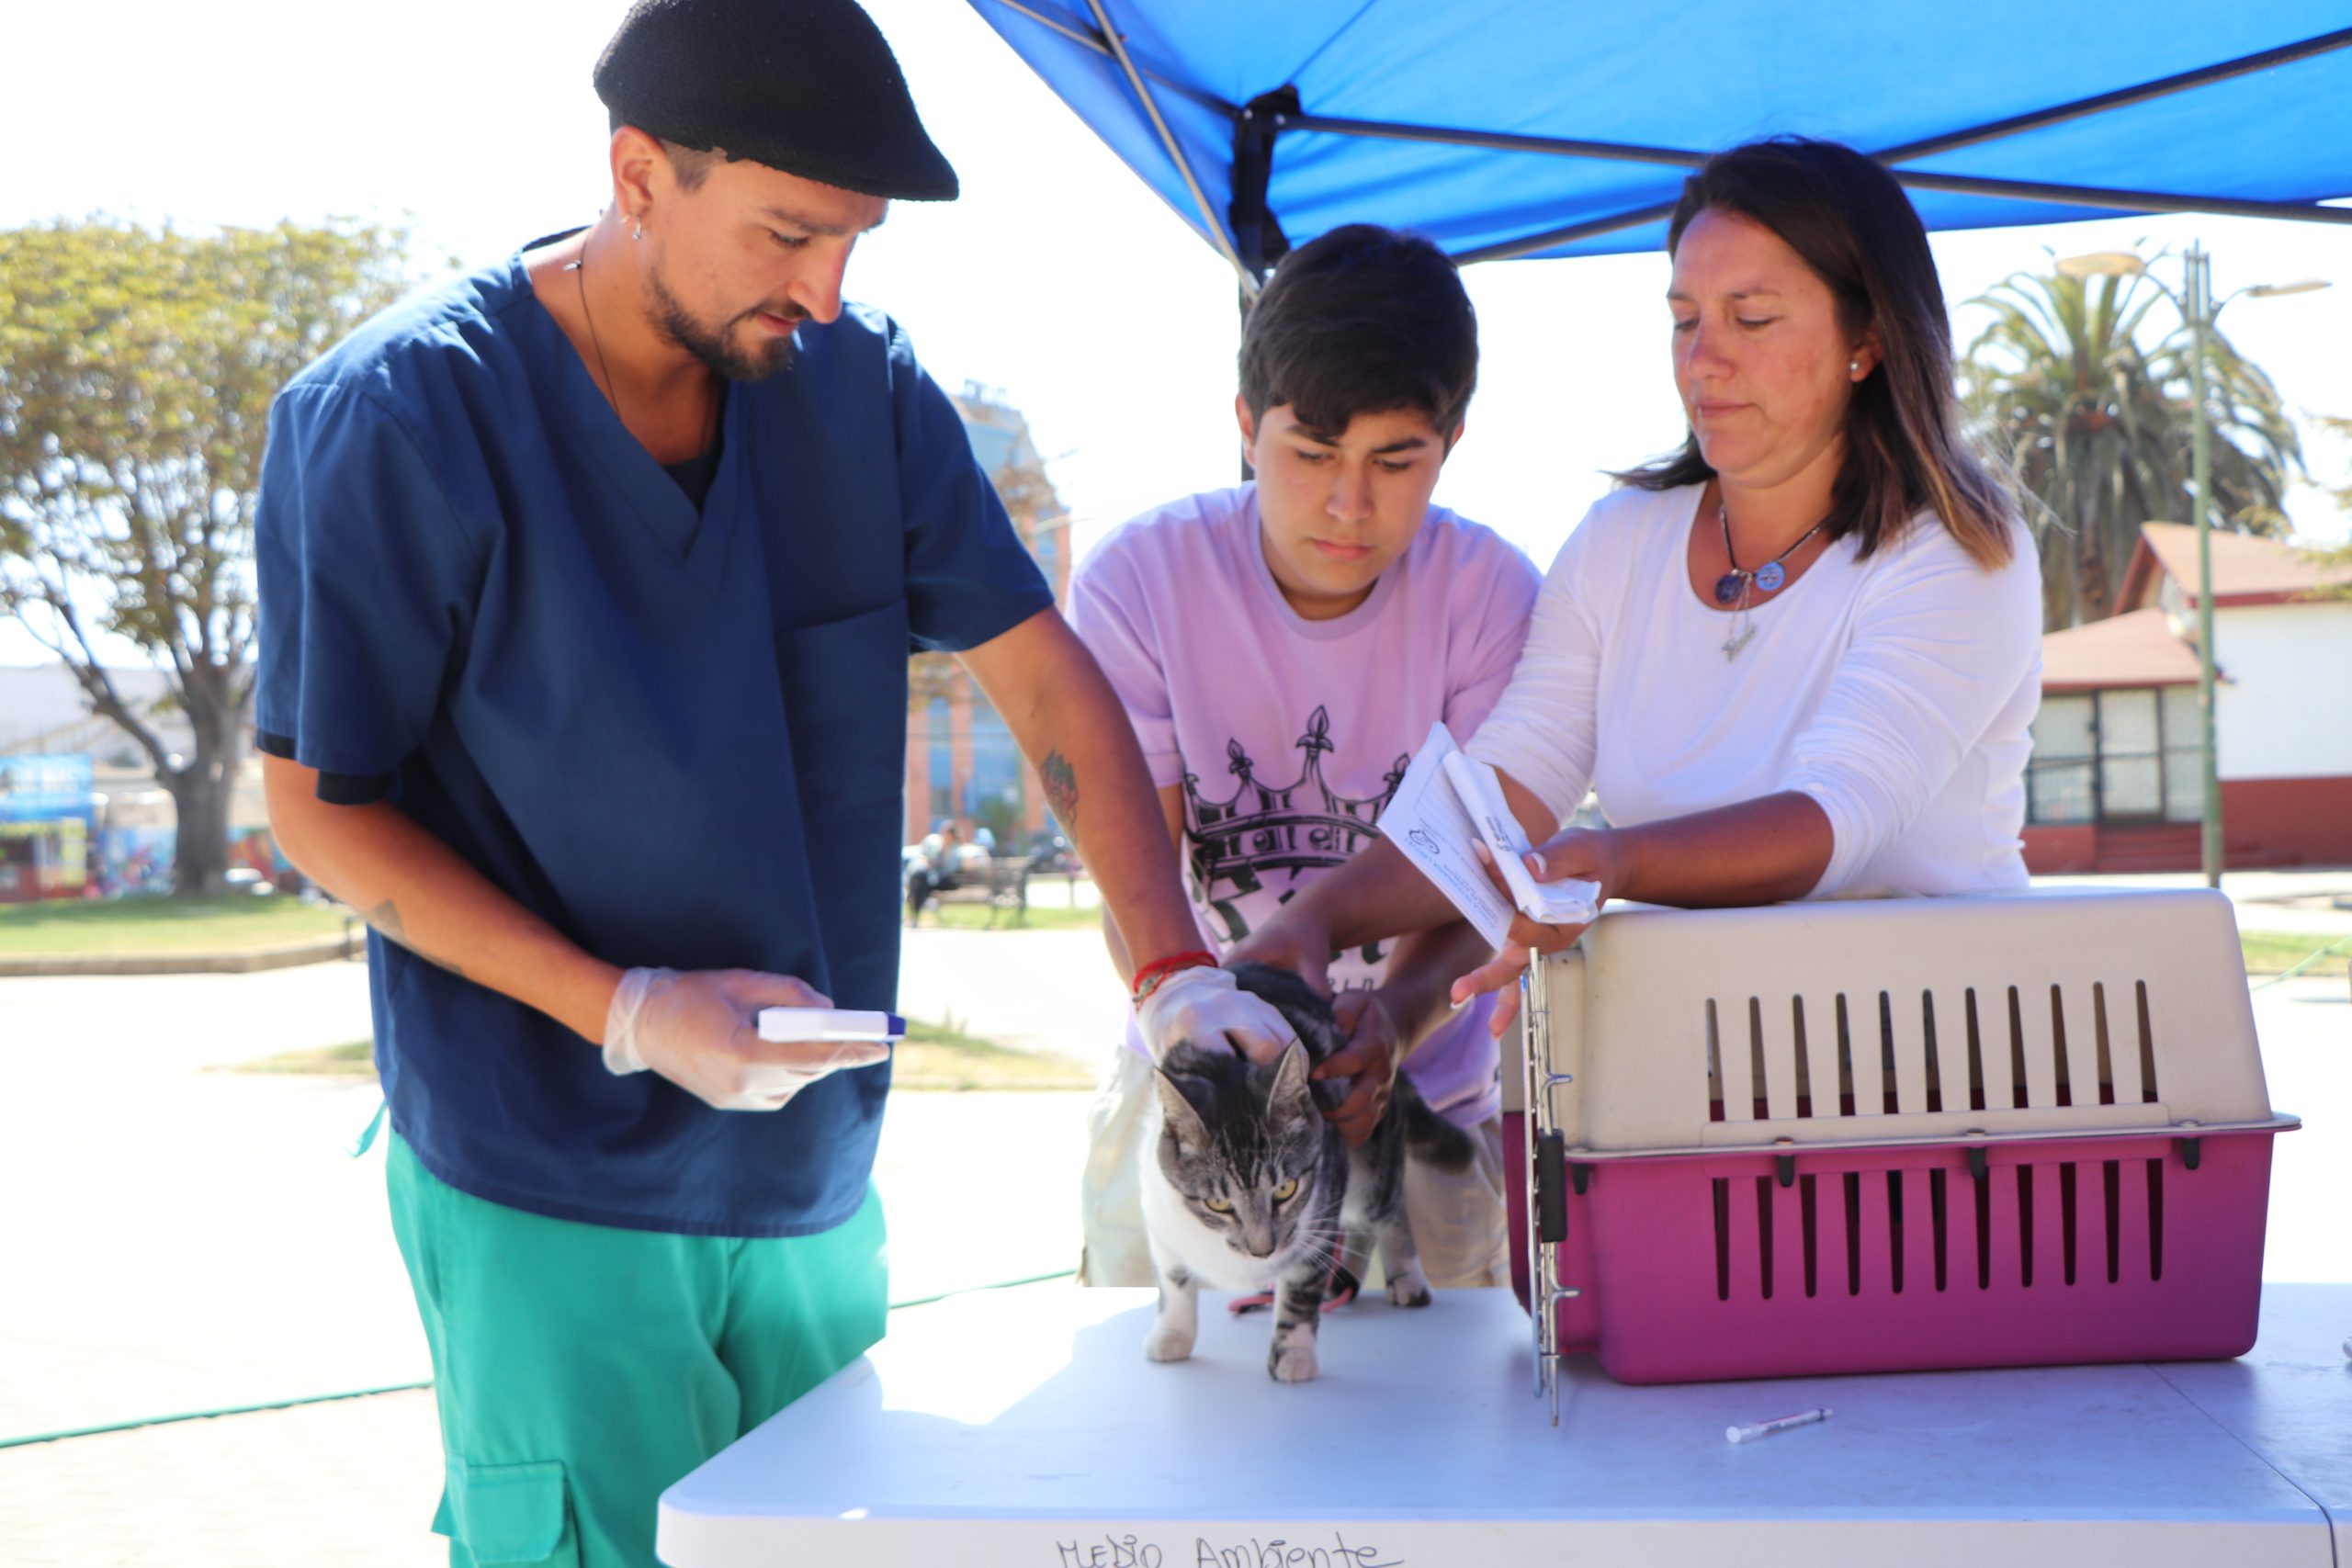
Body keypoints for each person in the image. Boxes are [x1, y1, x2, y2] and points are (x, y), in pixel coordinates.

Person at [252, 4, 1293, 1564]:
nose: (826, 284)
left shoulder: (855, 389)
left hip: (807, 1165)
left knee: (827, 1548)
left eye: (855, 243)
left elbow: (1044, 684)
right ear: (640, 171)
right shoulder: (403, 416)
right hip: (545, 1173)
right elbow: (317, 806)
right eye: (791, 232)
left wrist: (1172, 978)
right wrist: (622, 1006)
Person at [1236, 137, 2042, 1027]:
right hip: (1691, 1073)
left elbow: (1833, 821)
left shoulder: (1957, 549)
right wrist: (1310, 926)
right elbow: (1508, 789)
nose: (1702, 359)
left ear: (1867, 340)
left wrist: (1610, 863)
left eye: (1752, 317)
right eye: (1685, 317)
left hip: (1942, 1080)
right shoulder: (1618, 541)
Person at [1071, 224, 1542, 1292]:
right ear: (1245, 425)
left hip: (1426, 1118)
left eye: (1394, 460)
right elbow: (1130, 862)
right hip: (1193, 1125)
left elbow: (1484, 870)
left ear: (1453, 440)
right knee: (1161, 1446)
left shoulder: (1495, 598)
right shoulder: (1136, 583)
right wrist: (1195, 1019)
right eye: (1311, 453)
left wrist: (1401, 1021)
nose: (1348, 504)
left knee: (1442, 1450)